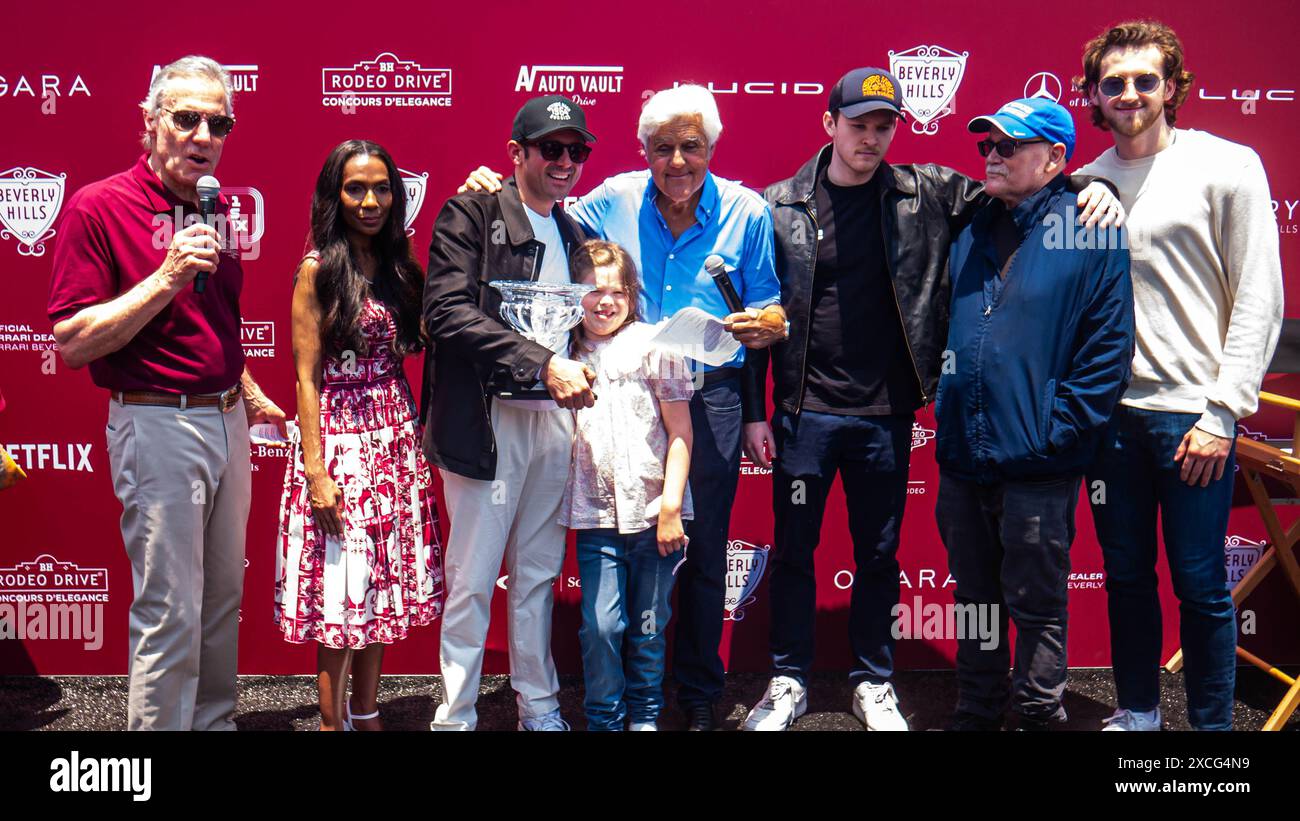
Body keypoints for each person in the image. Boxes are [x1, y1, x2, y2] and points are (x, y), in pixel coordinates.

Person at [743, 69, 1124, 731]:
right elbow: (755, 315)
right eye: (857, 123)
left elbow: (1038, 195)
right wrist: (756, 409)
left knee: (884, 559)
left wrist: (1099, 186)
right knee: (799, 556)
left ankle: (878, 681)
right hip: (807, 413)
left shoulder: (930, 195)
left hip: (890, 417)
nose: (869, 137)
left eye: (882, 126)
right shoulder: (778, 206)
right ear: (828, 123)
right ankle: (790, 678)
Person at [462, 85, 785, 729]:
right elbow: (542, 204)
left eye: (691, 147)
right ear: (644, 151)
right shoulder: (613, 197)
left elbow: (772, 305)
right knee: (611, 583)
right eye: (662, 148)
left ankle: (695, 696)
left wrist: (768, 324)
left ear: (711, 148)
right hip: (615, 389)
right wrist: (493, 184)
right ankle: (624, 704)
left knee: (701, 545)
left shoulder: (747, 211)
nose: (677, 161)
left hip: (708, 396)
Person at [47, 55, 285, 730]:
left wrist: (245, 387)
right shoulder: (99, 205)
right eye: (186, 118)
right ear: (150, 123)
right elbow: (72, 341)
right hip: (156, 422)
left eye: (219, 122)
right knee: (170, 608)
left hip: (225, 419)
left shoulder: (219, 207)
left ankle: (212, 722)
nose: (203, 135)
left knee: (221, 597)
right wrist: (166, 275)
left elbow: (210, 322)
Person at [1074, 20, 1284, 731]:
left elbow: (1260, 294)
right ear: (1095, 97)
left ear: (1171, 86)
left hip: (1192, 417)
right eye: (1113, 83)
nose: (1129, 94)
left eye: (1144, 80)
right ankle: (1137, 715)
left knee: (1201, 586)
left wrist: (1222, 412)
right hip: (1110, 419)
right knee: (1128, 579)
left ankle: (1213, 734)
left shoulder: (1228, 166)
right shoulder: (1083, 182)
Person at [934, 97, 1135, 731]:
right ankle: (978, 708)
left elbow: (1108, 349)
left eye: (1007, 146)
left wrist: (1054, 431)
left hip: (1040, 462)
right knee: (974, 600)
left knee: (1037, 603)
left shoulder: (1089, 227)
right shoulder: (968, 227)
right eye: (986, 146)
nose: (990, 156)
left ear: (1053, 159)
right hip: (963, 458)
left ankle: (1039, 714)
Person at [423, 95, 598, 731]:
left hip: (554, 423)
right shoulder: (471, 213)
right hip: (486, 420)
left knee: (538, 575)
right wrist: (539, 362)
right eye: (550, 148)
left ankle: (539, 706)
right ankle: (457, 714)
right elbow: (444, 312)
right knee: (471, 580)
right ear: (516, 154)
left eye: (576, 150)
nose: (564, 161)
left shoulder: (578, 233)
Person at [275, 140, 443, 731]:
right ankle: (330, 722)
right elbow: (306, 377)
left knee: (381, 588)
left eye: (381, 189)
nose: (370, 201)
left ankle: (366, 712)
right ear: (334, 195)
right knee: (341, 591)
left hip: (395, 441)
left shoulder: (400, 266)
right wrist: (316, 471)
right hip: (340, 445)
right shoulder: (316, 271)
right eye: (355, 189)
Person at [558, 240, 693, 731]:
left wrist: (671, 508)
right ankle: (604, 719)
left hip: (656, 514)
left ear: (632, 297)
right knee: (601, 626)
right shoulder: (562, 353)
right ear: (573, 295)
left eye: (615, 291)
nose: (603, 302)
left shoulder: (657, 344)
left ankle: (645, 717)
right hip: (594, 517)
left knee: (650, 625)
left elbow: (680, 433)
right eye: (591, 291)